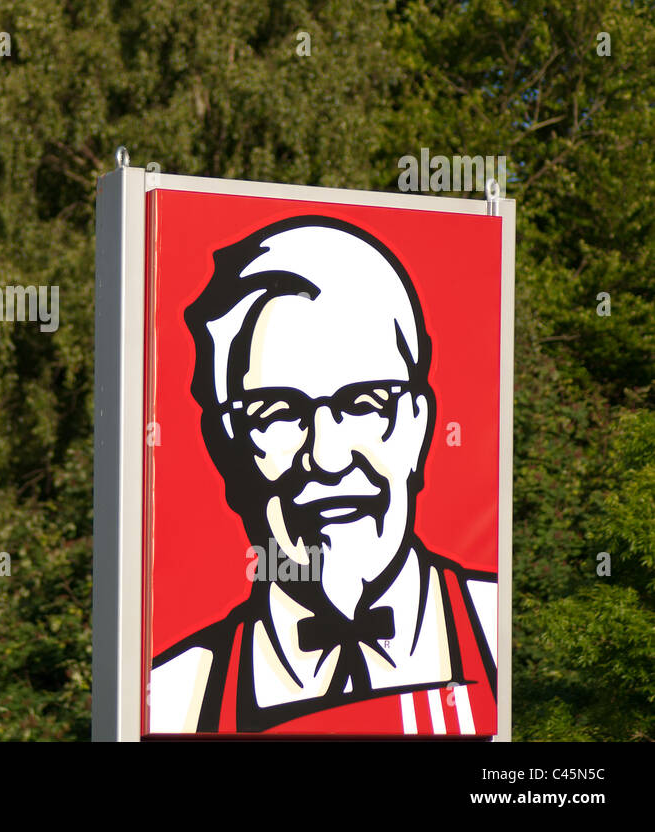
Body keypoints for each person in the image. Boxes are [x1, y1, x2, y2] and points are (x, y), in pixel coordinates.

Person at [149, 216, 497, 735]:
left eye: (364, 403)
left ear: (419, 426)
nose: (328, 457)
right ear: (228, 447)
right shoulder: (175, 697)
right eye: (278, 412)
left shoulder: (496, 630)